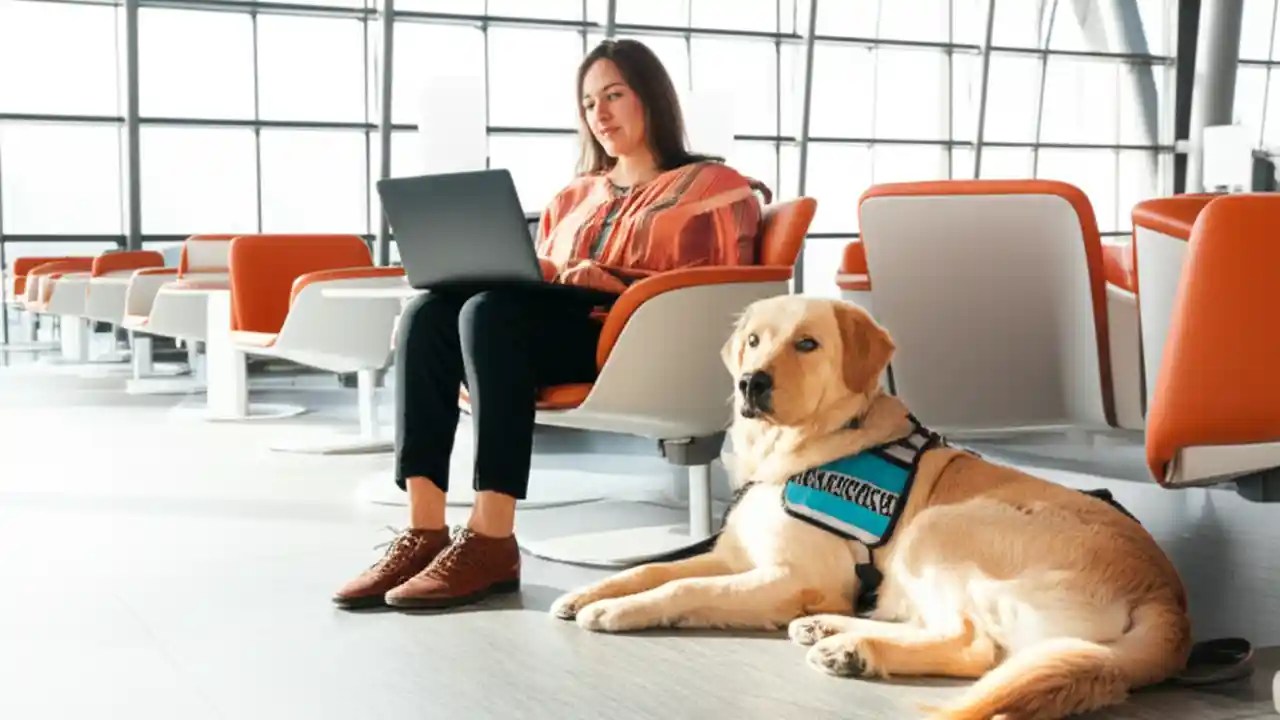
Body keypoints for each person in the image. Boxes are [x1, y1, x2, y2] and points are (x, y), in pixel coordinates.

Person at [333, 38, 766, 611]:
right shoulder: (573, 195)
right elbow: (544, 268)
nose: (601, 114)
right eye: (589, 104)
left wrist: (604, 276)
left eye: (614, 95)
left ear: (652, 98)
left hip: (630, 336)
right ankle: (425, 532)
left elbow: (719, 288)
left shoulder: (714, 185)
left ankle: (490, 539)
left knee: (490, 315)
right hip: (544, 319)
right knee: (429, 313)